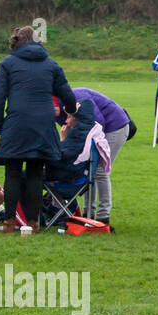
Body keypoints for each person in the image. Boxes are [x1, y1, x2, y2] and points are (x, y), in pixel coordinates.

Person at [0, 25, 77, 233]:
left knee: (12, 173)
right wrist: (72, 110)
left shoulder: (7, 64)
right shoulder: (51, 64)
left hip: (16, 124)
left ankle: (9, 223)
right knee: (35, 174)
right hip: (43, 126)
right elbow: (67, 94)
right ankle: (33, 223)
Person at [56, 87, 132, 229]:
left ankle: (103, 216)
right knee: (88, 169)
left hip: (114, 127)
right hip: (95, 129)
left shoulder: (76, 99)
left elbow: (98, 124)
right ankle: (88, 213)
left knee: (98, 170)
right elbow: (70, 128)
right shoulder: (55, 110)